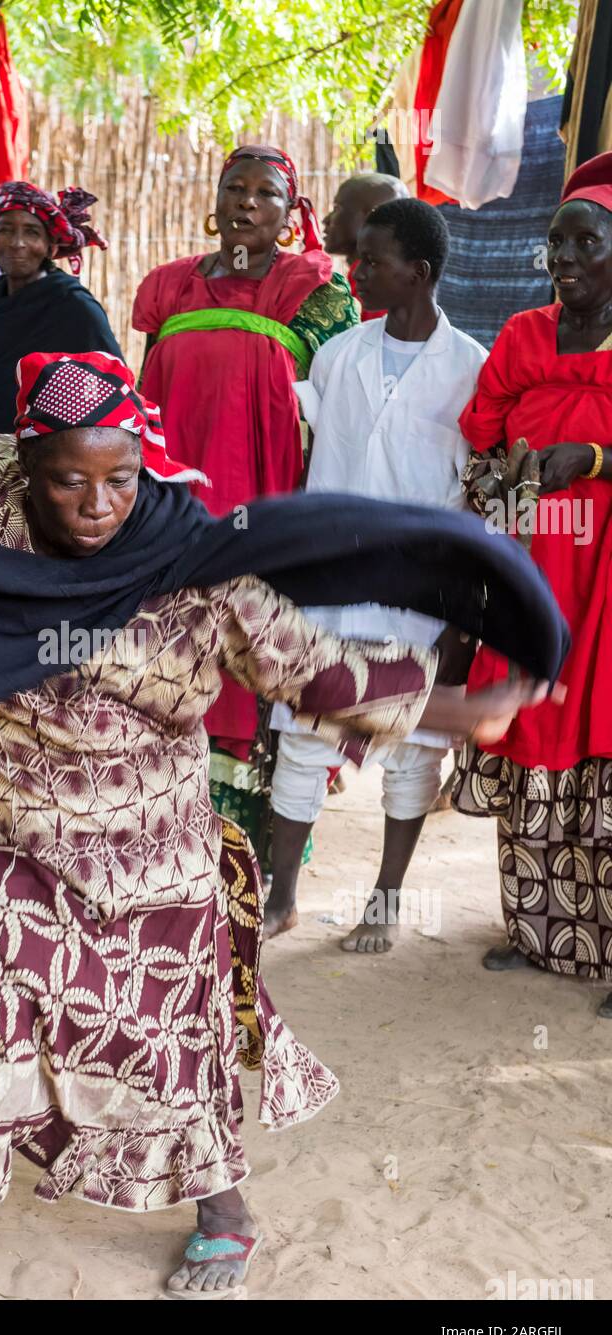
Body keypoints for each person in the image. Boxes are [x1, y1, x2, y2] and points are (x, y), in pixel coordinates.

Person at [0, 162, 552, 1296]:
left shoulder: (184, 555)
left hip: (149, 833)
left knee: (162, 1022)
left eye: (114, 479)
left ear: (142, 463)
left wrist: (453, 707)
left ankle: (220, 1203)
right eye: (66, 481)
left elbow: (301, 663)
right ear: (22, 461)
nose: (92, 505)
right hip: (6, 812)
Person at [265, 198, 487, 948]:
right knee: (303, 735)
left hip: (418, 594)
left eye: (374, 260)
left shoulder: (471, 372)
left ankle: (387, 900)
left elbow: (477, 506)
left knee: (412, 748)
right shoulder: (339, 355)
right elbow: (296, 439)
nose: (356, 270)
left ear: (418, 273)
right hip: (329, 581)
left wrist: (464, 619)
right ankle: (282, 896)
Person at [132, 145, 360, 857]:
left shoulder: (314, 292)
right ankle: (161, 827)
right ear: (217, 197)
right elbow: (143, 402)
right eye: (236, 189)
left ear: (292, 216)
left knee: (254, 650)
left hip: (267, 512)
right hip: (176, 512)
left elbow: (340, 411)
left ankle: (247, 850)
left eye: (266, 195)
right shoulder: (170, 288)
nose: (246, 203)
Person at [452, 151, 612, 1019]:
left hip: (608, 579)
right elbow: (483, 436)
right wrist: (506, 477)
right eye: (555, 246)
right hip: (540, 566)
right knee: (539, 726)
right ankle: (542, 930)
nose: (563, 260)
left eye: (584, 242)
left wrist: (592, 458)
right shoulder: (522, 338)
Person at [0, 180, 122, 432]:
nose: (17, 243)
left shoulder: (73, 305)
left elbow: (112, 381)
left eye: (32, 232)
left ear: (49, 246)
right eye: (5, 230)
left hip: (44, 452)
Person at [322, 172, 409, 319]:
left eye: (337, 208)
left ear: (372, 218)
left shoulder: (376, 288)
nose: (326, 220)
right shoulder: (373, 278)